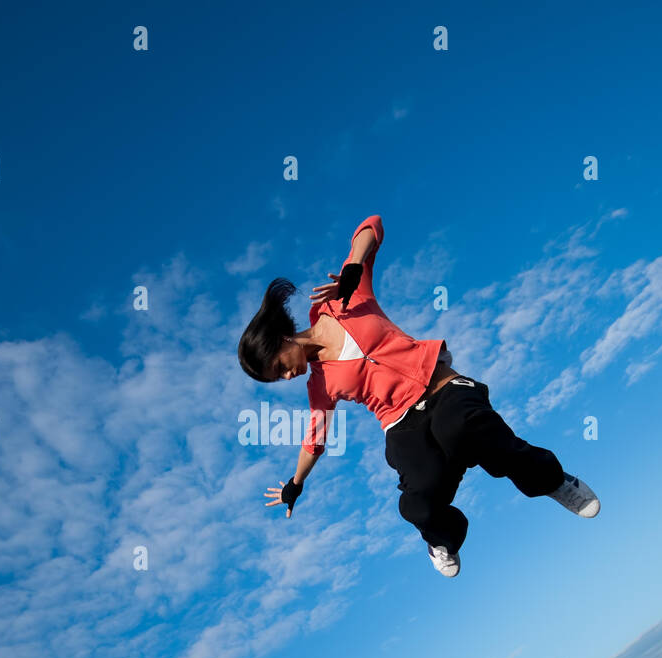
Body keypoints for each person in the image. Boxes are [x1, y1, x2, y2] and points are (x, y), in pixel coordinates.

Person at [237, 214, 599, 577]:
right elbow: (314, 438)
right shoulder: (319, 384)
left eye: (279, 367)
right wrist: (295, 484)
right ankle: (443, 538)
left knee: (463, 429)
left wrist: (354, 268)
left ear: (281, 340)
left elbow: (371, 227)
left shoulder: (343, 302)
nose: (287, 375)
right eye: (279, 379)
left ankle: (552, 481)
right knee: (417, 502)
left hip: (441, 388)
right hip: (400, 424)